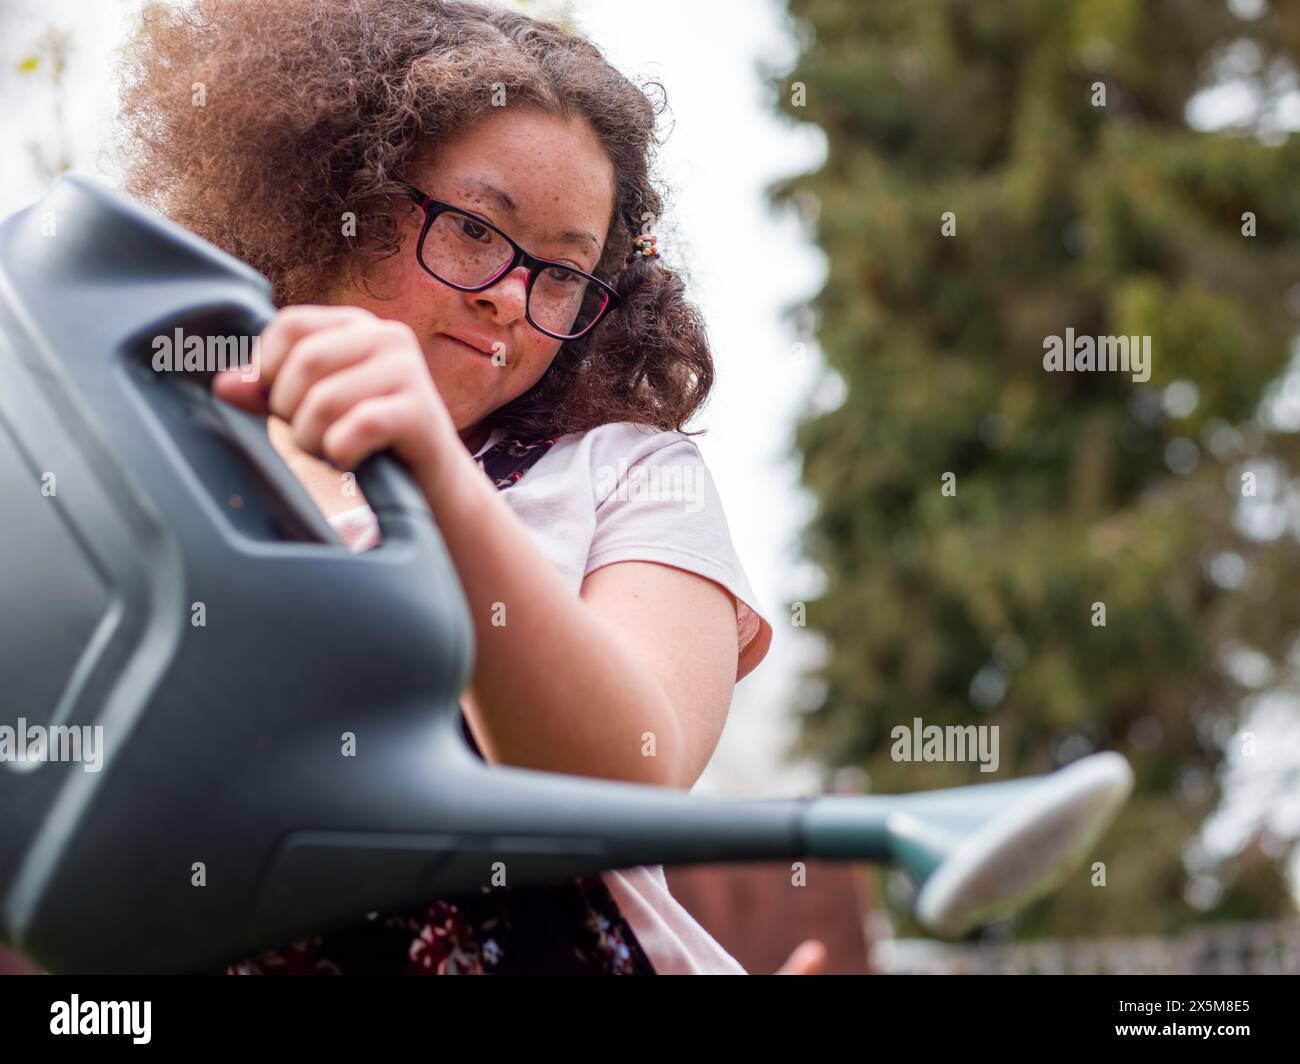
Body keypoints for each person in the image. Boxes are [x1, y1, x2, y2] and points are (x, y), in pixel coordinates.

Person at [118, 0, 817, 975]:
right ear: (335, 193)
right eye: (476, 229)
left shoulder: (632, 473)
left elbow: (629, 777)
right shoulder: (160, 454)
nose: (507, 293)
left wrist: (434, 476)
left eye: (563, 272)